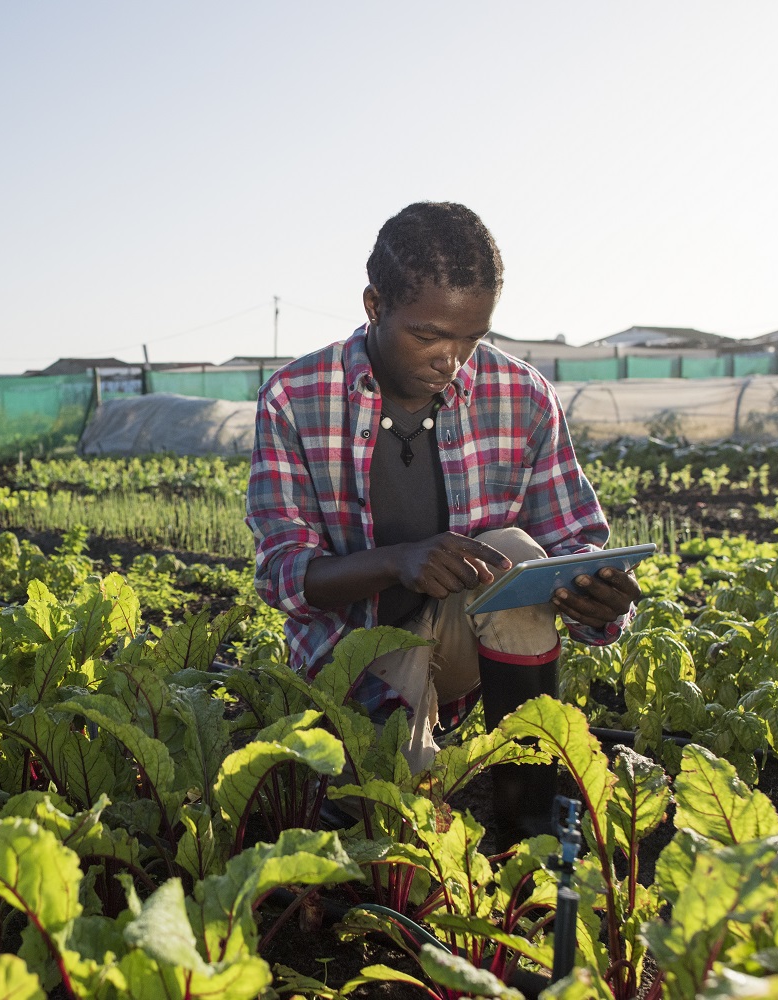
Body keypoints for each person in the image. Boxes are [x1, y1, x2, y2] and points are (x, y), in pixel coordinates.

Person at [246, 201, 638, 843]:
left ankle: (527, 830)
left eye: (471, 338)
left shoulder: (523, 396)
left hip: (455, 653)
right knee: (386, 830)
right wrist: (396, 561)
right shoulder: (296, 397)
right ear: (374, 305)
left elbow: (574, 542)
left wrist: (596, 597)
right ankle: (376, 770)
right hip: (347, 664)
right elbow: (283, 577)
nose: (450, 359)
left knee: (514, 552)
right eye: (428, 336)